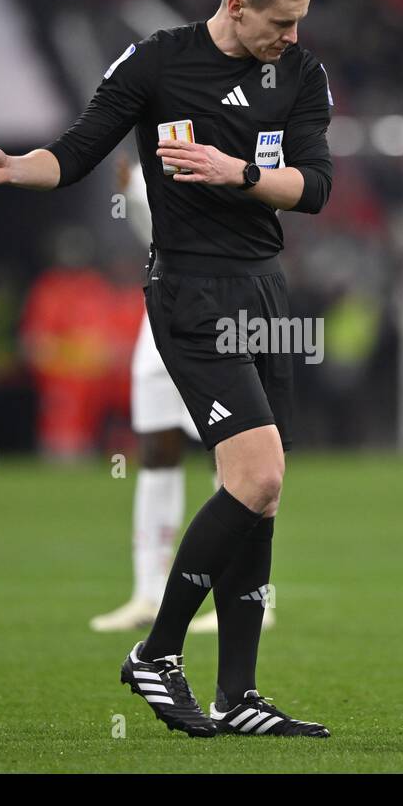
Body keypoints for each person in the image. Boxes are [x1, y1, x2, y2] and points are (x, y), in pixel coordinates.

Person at [0, 0, 330, 737]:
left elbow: (316, 186)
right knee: (256, 478)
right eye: (280, 22)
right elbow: (79, 152)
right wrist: (12, 167)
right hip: (191, 289)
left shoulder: (301, 74)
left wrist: (238, 174)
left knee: (261, 492)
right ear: (235, 5)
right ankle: (158, 652)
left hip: (267, 288)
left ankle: (239, 695)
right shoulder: (158, 63)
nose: (291, 37)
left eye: (298, 23)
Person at [91, 160, 275, 637]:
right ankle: (148, 592)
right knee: (156, 451)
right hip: (160, 308)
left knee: (234, 453)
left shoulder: (219, 142)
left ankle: (252, 594)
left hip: (220, 306)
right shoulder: (138, 161)